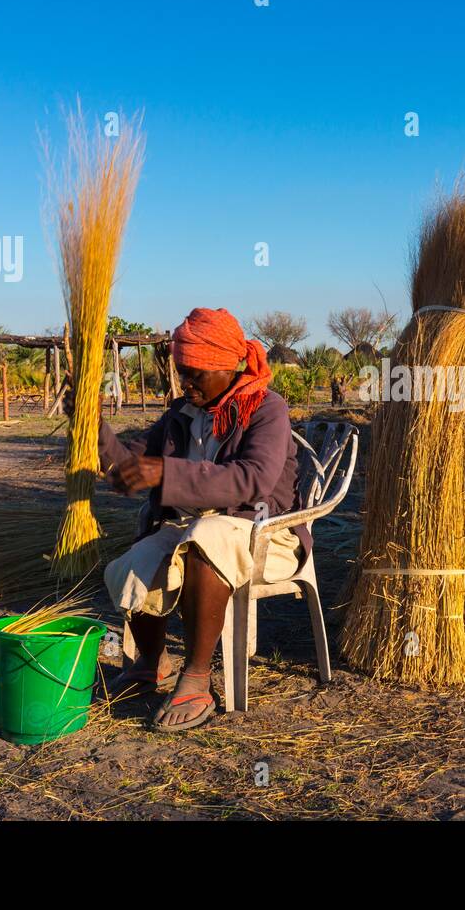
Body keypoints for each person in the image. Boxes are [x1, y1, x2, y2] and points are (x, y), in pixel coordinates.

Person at [89, 308, 307, 731]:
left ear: (228, 368)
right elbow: (133, 460)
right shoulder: (181, 415)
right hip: (192, 527)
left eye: (194, 375)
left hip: (262, 532)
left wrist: (166, 473)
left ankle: (197, 677)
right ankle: (152, 661)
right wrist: (92, 427)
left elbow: (254, 479)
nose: (184, 384)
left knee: (206, 536)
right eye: (180, 372)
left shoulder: (265, 409)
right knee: (132, 564)